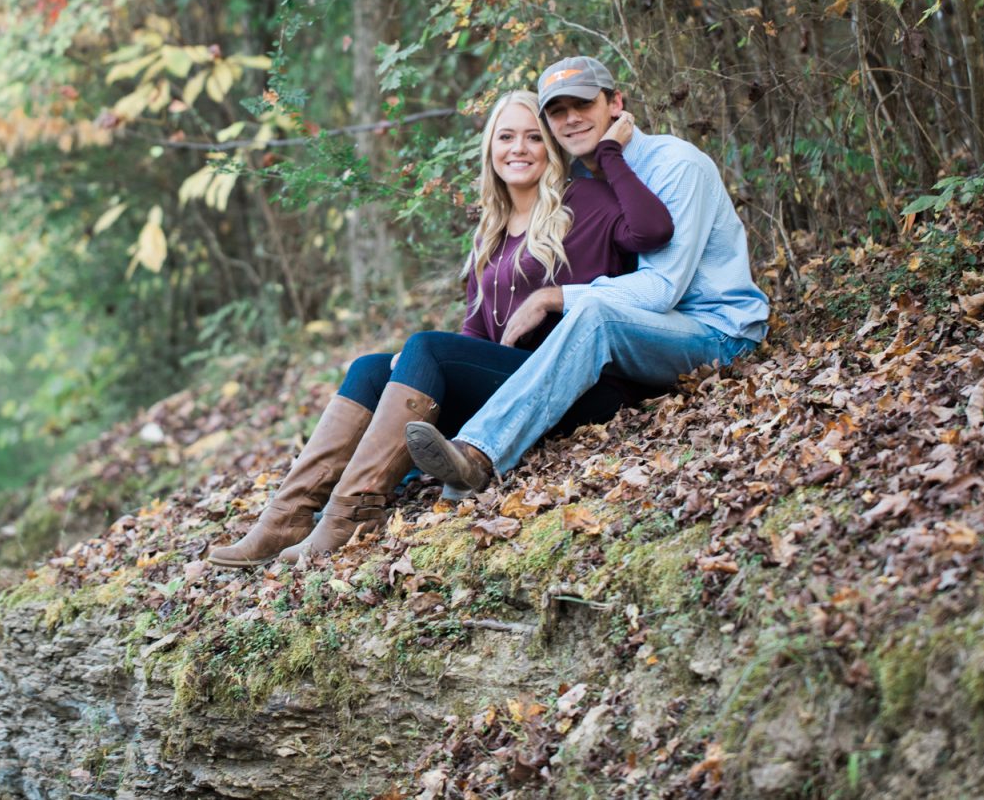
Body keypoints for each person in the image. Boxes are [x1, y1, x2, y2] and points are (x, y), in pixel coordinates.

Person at [207, 88, 673, 567]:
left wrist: (610, 154)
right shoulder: (494, 226)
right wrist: (411, 369)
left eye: (534, 137)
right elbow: (473, 336)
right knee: (372, 368)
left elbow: (653, 230)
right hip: (514, 385)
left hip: (579, 385)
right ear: (490, 148)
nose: (519, 148)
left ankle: (347, 516)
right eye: (506, 136)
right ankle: (286, 517)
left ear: (552, 147)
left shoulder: (586, 201)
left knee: (425, 346)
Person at [406, 55, 771, 496]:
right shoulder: (580, 175)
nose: (572, 119)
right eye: (558, 111)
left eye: (583, 104)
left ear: (615, 103)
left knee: (594, 311)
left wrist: (550, 297)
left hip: (717, 334)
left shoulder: (677, 165)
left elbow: (661, 290)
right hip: (647, 338)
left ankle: (479, 455)